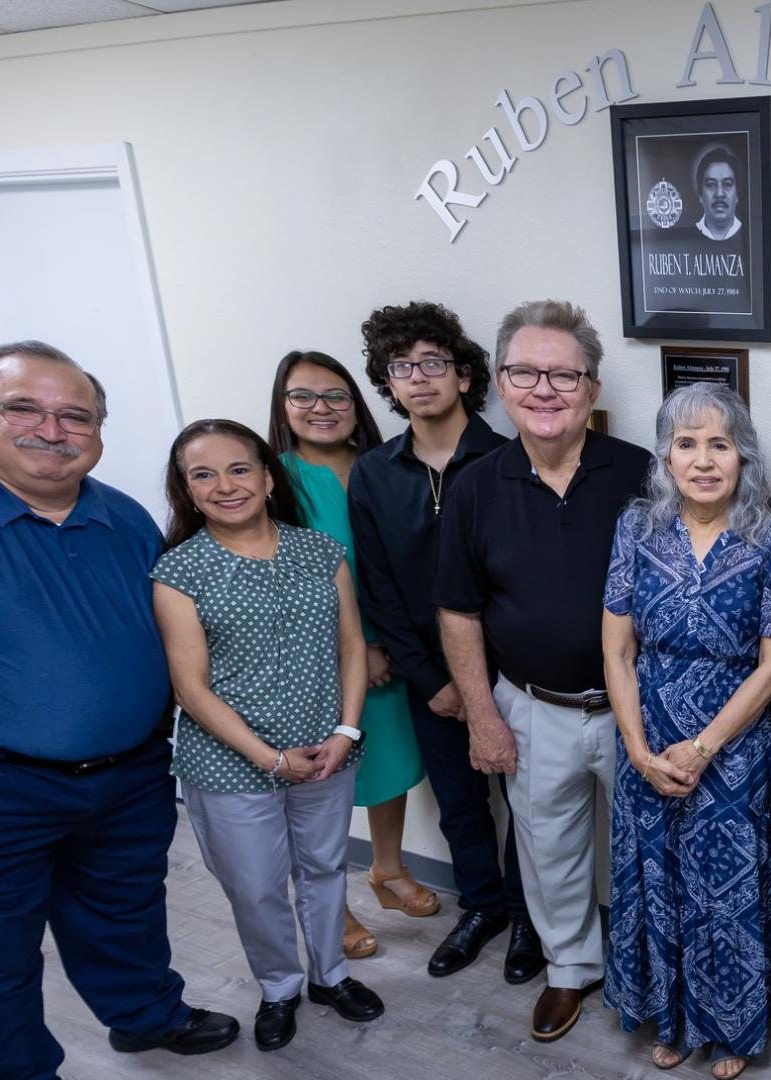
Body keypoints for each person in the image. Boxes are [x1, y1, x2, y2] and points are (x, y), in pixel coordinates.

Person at [0, 341, 238, 1079]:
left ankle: (144, 1014)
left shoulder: (122, 517)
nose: (53, 430)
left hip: (126, 779)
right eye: (24, 408)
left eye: (76, 416)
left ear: (99, 430)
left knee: (125, 915)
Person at [433, 299, 652, 1042]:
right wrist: (484, 717)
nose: (545, 389)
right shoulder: (475, 486)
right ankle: (570, 970)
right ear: (499, 383)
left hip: (635, 711)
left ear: (591, 389)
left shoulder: (643, 475)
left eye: (564, 374)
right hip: (530, 707)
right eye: (525, 372)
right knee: (548, 851)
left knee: (647, 851)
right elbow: (458, 612)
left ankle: (647, 973)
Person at [150, 418, 385, 1052]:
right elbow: (190, 688)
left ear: (265, 476)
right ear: (187, 490)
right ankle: (279, 987)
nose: (225, 485)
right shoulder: (178, 572)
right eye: (204, 474)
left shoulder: (319, 551)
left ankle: (330, 977)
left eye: (238, 468)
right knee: (255, 886)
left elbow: (351, 648)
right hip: (231, 765)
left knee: (325, 867)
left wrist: (345, 730)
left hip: (326, 750)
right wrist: (268, 757)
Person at [601, 383, 771, 1079]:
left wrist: (704, 745)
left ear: (743, 457)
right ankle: (675, 1019)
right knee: (661, 878)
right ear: (665, 457)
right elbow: (617, 650)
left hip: (736, 748)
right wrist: (636, 747)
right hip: (647, 736)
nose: (704, 459)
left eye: (720, 443)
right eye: (687, 443)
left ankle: (731, 1025)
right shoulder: (635, 529)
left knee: (725, 888)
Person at [347, 301, 543, 983]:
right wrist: (431, 679)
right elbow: (379, 588)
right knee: (460, 805)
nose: (419, 377)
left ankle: (527, 919)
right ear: (388, 384)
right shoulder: (374, 472)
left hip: (516, 674)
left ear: (464, 375)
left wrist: (492, 681)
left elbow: (532, 578)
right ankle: (483, 908)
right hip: (426, 678)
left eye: (434, 363)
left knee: (529, 806)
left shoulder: (510, 458)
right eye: (402, 367)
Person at [268, 349, 437, 962]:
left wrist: (387, 641)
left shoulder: (385, 463)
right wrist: (357, 649)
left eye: (335, 395)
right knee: (322, 784)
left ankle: (387, 871)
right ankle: (328, 906)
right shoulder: (272, 479)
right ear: (282, 408)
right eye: (303, 396)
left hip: (391, 645)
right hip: (317, 658)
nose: (321, 408)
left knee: (388, 763)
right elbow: (285, 578)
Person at [694, 143, 742, 242]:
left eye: (727, 184)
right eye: (711, 185)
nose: (719, 194)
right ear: (700, 195)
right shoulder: (689, 237)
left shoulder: (748, 234)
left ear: (737, 195)